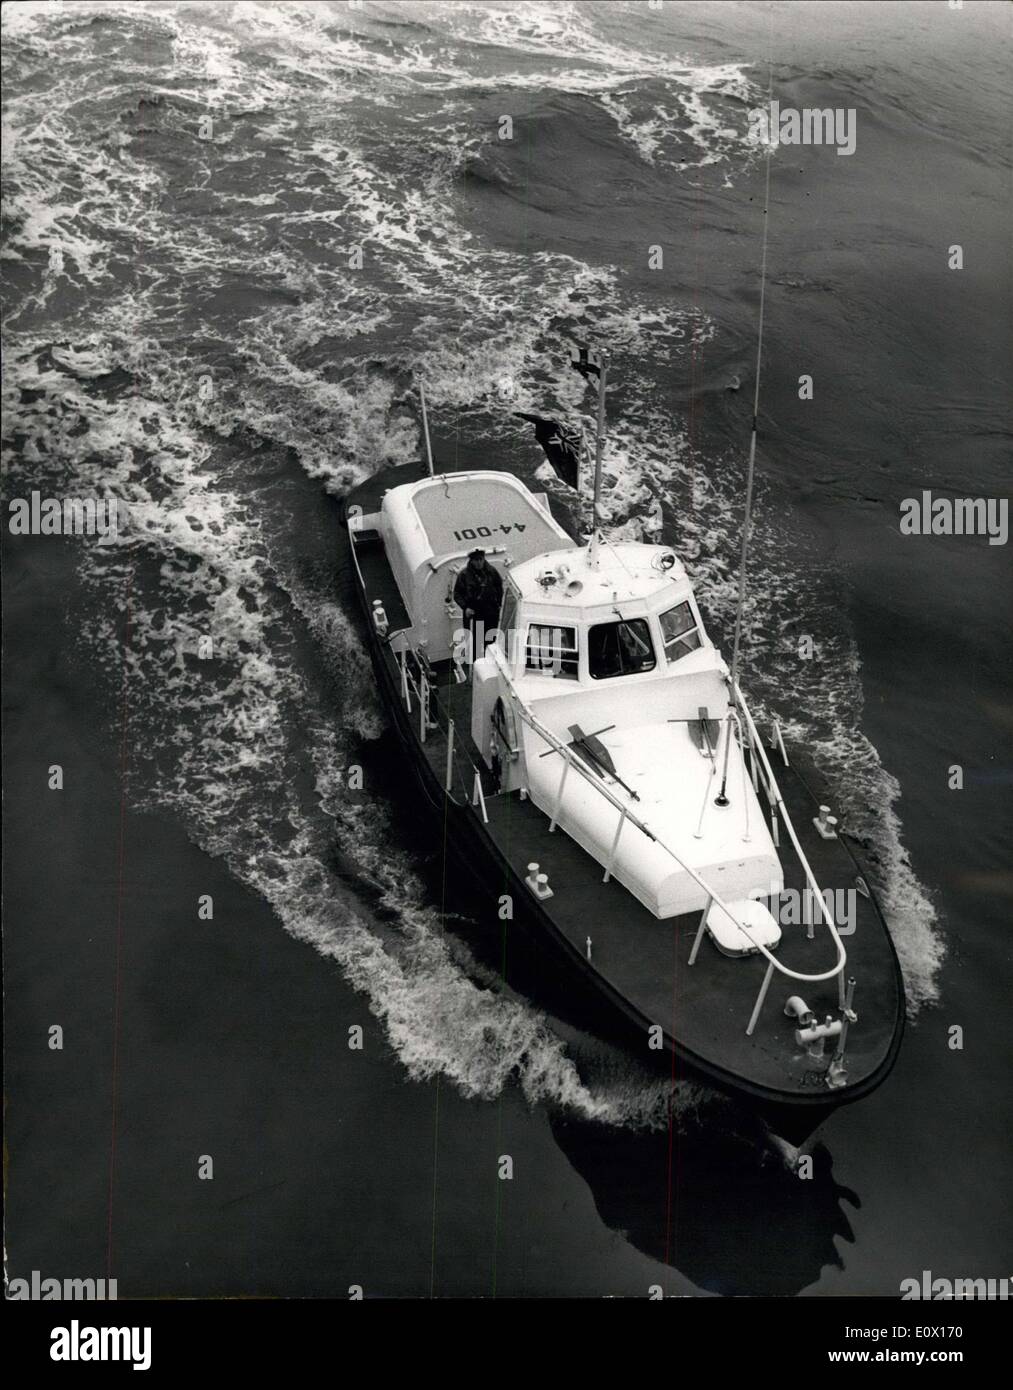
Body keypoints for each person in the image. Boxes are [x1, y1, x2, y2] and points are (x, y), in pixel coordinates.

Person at [453, 549, 503, 661]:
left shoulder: (492, 572)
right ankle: (476, 663)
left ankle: (490, 662)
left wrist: (499, 604)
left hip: (490, 613)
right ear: (471, 561)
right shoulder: (464, 575)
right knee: (475, 642)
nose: (479, 563)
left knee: (491, 640)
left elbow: (499, 588)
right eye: (476, 560)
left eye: (481, 559)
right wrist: (465, 607)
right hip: (474, 615)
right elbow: (457, 594)